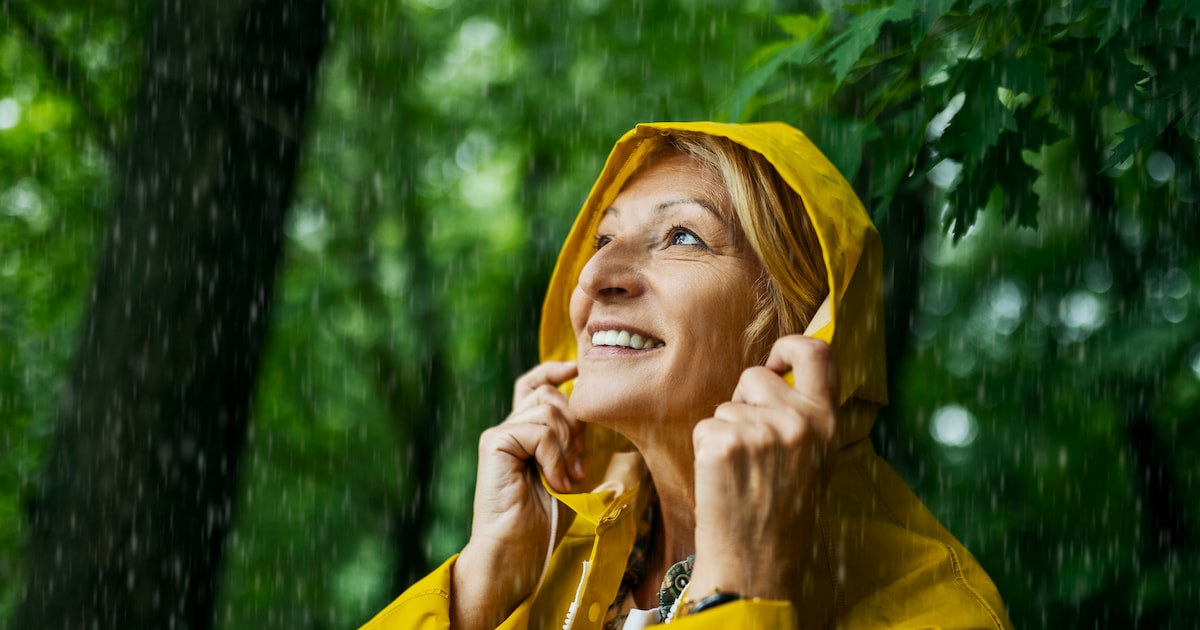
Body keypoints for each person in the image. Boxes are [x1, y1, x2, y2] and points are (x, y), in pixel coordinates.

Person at [361, 122, 1013, 629]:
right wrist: (482, 583)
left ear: (805, 327)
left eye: (682, 237)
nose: (595, 275)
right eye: (602, 240)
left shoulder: (931, 608)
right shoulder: (547, 559)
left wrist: (740, 587)